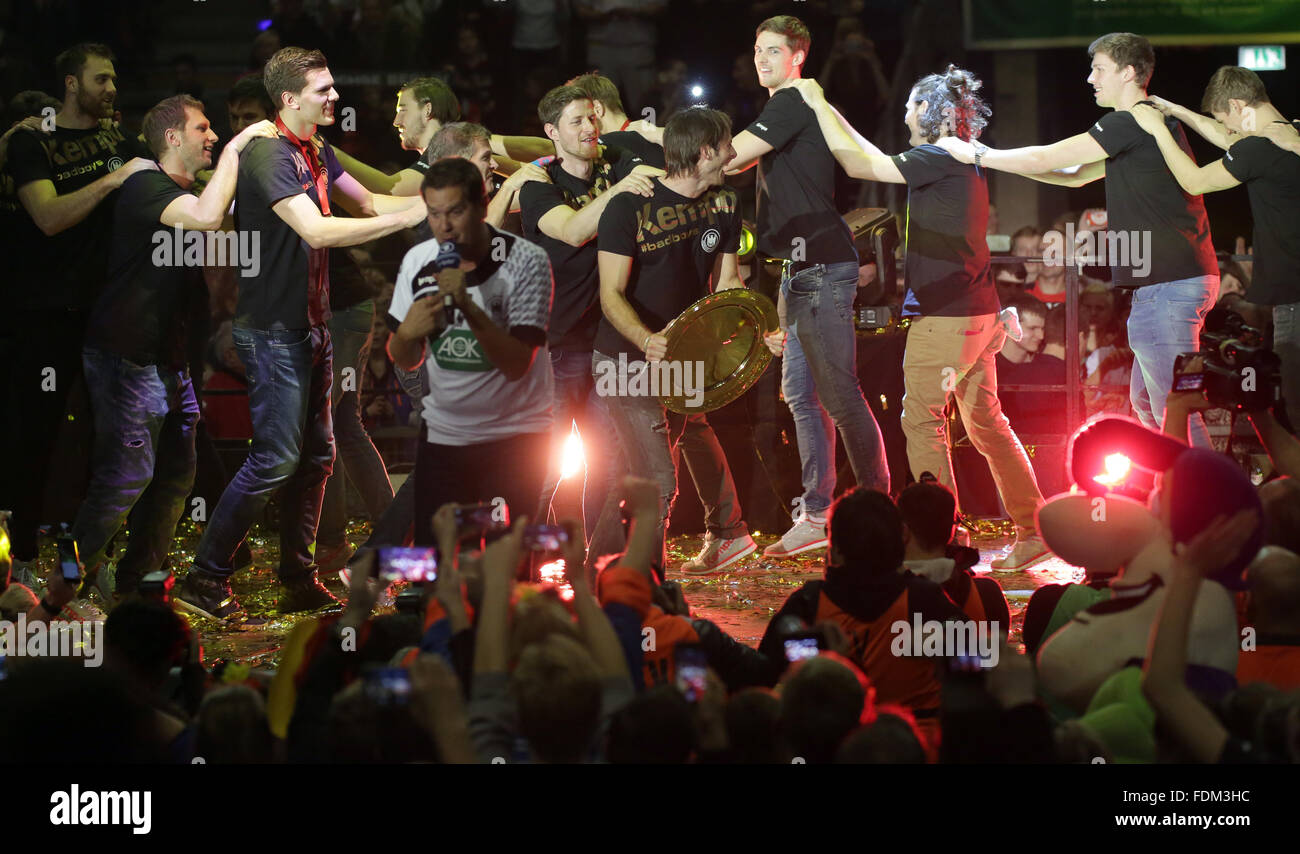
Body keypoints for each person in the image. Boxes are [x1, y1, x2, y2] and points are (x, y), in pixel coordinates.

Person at [175, 47, 427, 623]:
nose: (335, 97)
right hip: (273, 334)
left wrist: (436, 204)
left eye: (333, 87)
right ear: (290, 99)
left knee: (317, 455)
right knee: (275, 458)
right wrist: (406, 219)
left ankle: (298, 576)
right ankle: (205, 576)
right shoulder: (268, 153)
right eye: (323, 90)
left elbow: (371, 201)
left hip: (312, 328)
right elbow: (314, 230)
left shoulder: (315, 146)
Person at [790, 67, 1049, 569]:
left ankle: (939, 545)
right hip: (978, 314)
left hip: (947, 318)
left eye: (912, 105)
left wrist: (820, 105)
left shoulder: (937, 155)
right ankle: (1032, 531)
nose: (905, 113)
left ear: (933, 114)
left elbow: (859, 164)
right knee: (987, 425)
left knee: (923, 422)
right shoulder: (960, 160)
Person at [937, 32, 1219, 448]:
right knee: (1148, 405)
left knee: (1172, 411)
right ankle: (1180, 499)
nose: (1090, 78)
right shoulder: (1142, 127)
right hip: (1170, 283)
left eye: (1099, 69)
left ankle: (1211, 508)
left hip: (1169, 285)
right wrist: (1000, 163)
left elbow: (1049, 156)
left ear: (1128, 73)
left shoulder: (1127, 120)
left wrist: (978, 154)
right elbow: (1073, 173)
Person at [71, 97, 276, 598]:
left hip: (167, 360)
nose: (212, 136)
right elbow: (208, 218)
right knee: (125, 480)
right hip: (126, 356)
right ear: (172, 138)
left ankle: (135, 585)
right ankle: (64, 585)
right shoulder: (145, 187)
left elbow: (220, 212)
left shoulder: (184, 191)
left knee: (174, 481)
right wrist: (242, 143)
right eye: (203, 129)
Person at [721, 15, 889, 560]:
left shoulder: (790, 101)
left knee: (838, 395)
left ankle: (876, 513)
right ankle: (818, 514)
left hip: (821, 268)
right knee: (802, 395)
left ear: (798, 57)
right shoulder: (790, 104)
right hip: (796, 272)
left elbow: (730, 161)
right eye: (757, 49)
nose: (762, 59)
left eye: (773, 50)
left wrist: (666, 143)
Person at [594, 106, 774, 575]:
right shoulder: (629, 205)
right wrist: (647, 339)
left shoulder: (726, 202)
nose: (735, 154)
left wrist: (760, 331)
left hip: (685, 356)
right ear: (704, 151)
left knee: (642, 472)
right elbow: (609, 295)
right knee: (657, 478)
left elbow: (729, 281)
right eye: (727, 146)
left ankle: (605, 569)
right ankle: (642, 585)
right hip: (625, 359)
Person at [5, 43, 155, 588]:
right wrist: (114, 179)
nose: (112, 89)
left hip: (107, 314)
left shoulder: (120, 137)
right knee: (38, 438)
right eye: (101, 79)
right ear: (72, 84)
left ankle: (89, 561)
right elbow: (47, 216)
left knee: (108, 443)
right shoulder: (31, 140)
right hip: (43, 314)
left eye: (114, 79)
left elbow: (163, 180)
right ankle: (21, 556)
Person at [520, 84, 658, 571]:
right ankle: (525, 565)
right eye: (576, 122)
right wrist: (622, 189)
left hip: (608, 344)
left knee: (608, 462)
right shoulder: (538, 185)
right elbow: (574, 231)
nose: (588, 129)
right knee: (543, 468)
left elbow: (655, 170)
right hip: (555, 346)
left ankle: (599, 563)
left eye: (591, 119)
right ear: (552, 133)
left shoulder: (612, 161)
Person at [386, 157, 555, 546]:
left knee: (506, 567)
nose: (444, 227)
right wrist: (408, 333)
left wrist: (467, 305)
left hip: (516, 436)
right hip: (445, 434)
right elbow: (405, 357)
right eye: (434, 214)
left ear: (482, 207)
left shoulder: (527, 261)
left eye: (456, 212)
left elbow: (516, 364)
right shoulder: (418, 261)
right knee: (439, 561)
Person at [1127, 67, 1300, 432]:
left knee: (1293, 411)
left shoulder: (1261, 147)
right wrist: (1179, 111)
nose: (1229, 130)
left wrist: (1159, 130)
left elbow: (1194, 180)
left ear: (1238, 105)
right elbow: (1230, 138)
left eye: (1228, 119)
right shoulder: (1288, 135)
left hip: (1295, 298)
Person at [758, 488, 970, 747]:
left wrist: (816, 652)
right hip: (914, 748)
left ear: (833, 548)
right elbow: (987, 660)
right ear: (902, 537)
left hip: (832, 748)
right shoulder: (925, 599)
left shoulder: (807, 605)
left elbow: (764, 674)